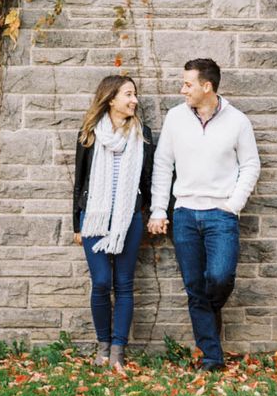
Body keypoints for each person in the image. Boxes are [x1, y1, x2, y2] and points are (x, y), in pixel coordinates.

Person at [148, 58, 260, 371]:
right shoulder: (175, 118)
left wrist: (233, 204)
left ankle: (206, 322)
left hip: (221, 214)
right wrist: (159, 209)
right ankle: (212, 357)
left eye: (188, 84)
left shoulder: (237, 121)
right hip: (184, 213)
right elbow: (162, 165)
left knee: (220, 278)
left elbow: (251, 164)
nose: (182, 89)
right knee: (194, 285)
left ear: (206, 86)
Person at [73, 74, 154, 370]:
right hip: (94, 217)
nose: (134, 100)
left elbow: (147, 179)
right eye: (128, 94)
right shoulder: (90, 134)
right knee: (101, 282)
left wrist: (139, 210)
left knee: (123, 284)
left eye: (134, 94)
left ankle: (118, 349)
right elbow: (79, 181)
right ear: (110, 99)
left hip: (128, 219)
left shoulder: (142, 134)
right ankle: (103, 343)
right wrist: (76, 226)